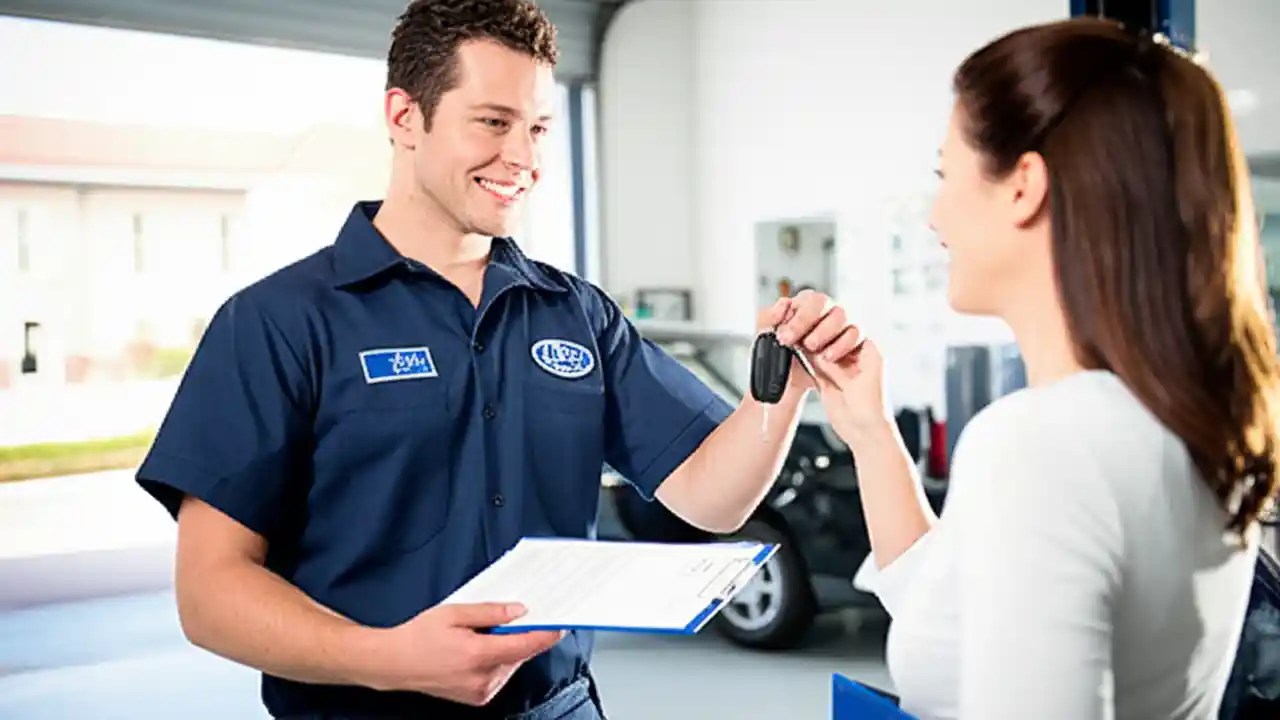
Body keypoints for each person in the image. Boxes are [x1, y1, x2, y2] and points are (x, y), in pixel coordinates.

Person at [134, 1, 860, 718]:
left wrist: (784, 389)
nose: (525, 158)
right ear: (403, 117)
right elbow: (210, 592)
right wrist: (386, 659)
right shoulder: (277, 322)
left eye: (539, 127)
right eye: (493, 122)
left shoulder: (577, 314)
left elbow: (712, 499)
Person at [798, 17, 1279, 720]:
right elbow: (953, 609)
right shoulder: (1189, 419)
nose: (934, 216)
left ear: (1024, 185)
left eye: (945, 173)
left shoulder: (1041, 443)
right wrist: (871, 433)